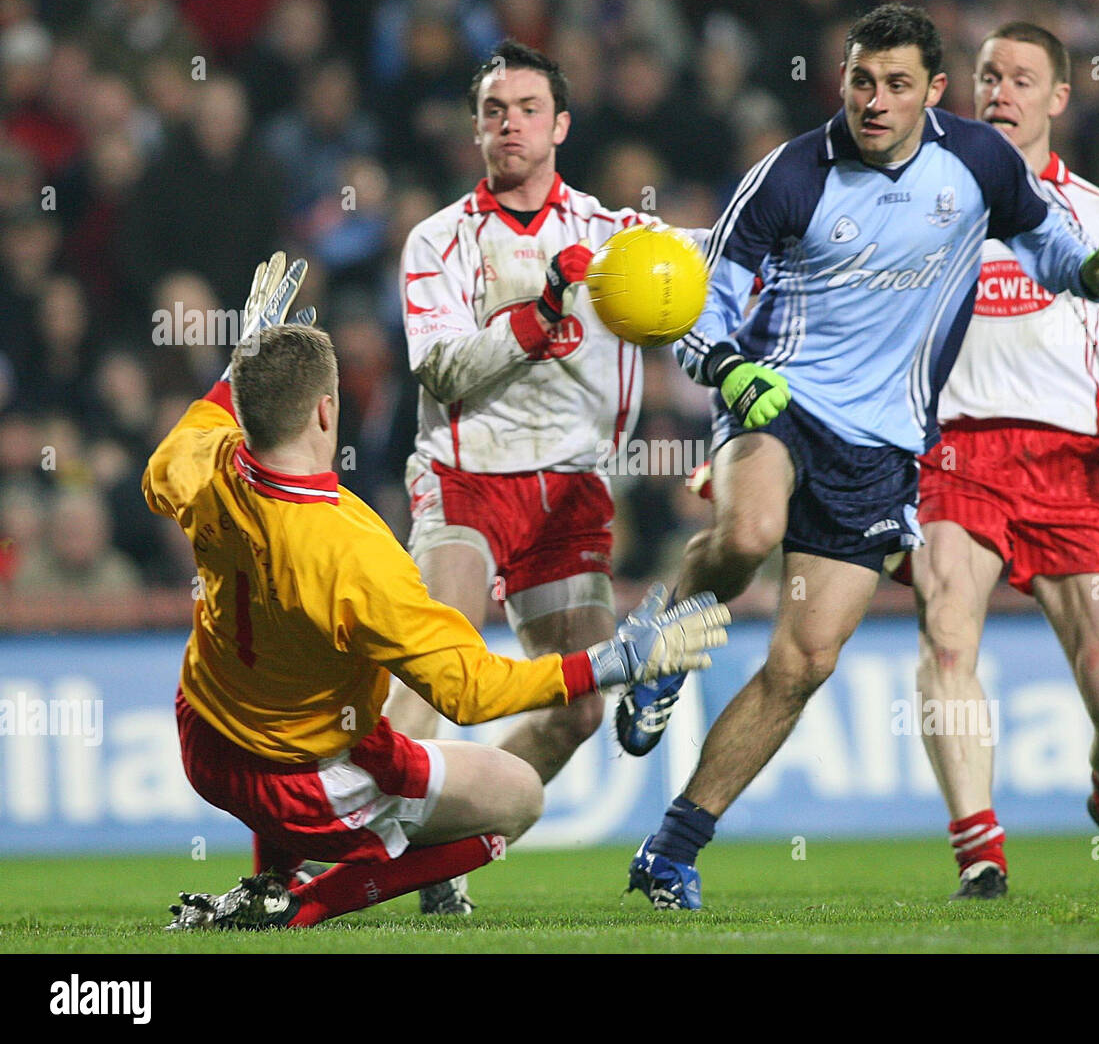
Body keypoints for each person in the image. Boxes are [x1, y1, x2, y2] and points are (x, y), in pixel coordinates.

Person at [622, 3, 1099, 910]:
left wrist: (1086, 271)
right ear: (843, 80)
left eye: (897, 84)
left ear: (933, 93)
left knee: (807, 661)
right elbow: (703, 305)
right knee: (749, 529)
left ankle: (671, 849)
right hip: (780, 401)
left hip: (882, 447)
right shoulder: (791, 174)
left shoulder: (977, 160)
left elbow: (1044, 236)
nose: (875, 101)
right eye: (861, 80)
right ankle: (660, 641)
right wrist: (727, 366)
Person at [147, 253, 728, 931]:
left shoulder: (202, 466)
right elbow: (468, 689)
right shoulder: (352, 554)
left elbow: (182, 448)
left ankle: (271, 879)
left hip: (207, 738)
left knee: (316, 707)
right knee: (512, 803)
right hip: (301, 782)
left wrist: (240, 367)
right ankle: (298, 907)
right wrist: (612, 661)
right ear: (327, 411)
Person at [380, 39, 702, 914]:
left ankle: (435, 844)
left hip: (571, 492)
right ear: (476, 128)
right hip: (467, 476)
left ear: (560, 125)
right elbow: (441, 367)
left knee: (580, 707)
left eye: (526, 108)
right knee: (433, 674)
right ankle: (354, 851)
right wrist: (541, 314)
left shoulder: (617, 241)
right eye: (492, 110)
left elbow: (699, 286)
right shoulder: (437, 239)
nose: (508, 123)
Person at [911, 22, 1099, 898]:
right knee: (947, 632)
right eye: (988, 76)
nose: (1000, 91)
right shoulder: (923, 206)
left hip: (1074, 466)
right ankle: (981, 852)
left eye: (1023, 79)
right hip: (957, 453)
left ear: (1059, 98)